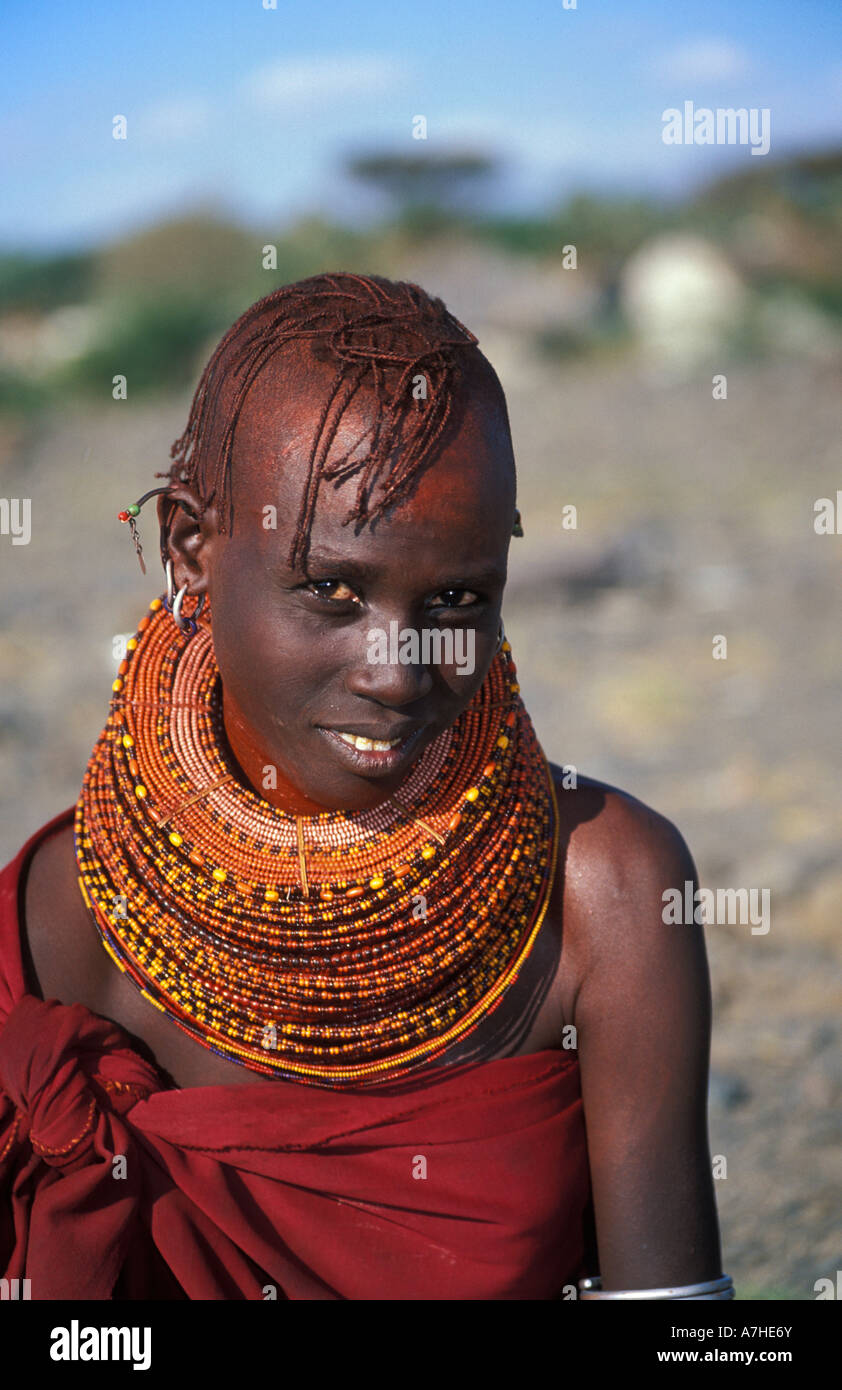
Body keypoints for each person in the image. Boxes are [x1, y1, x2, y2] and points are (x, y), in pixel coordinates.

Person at [0, 271, 731, 1300]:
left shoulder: (606, 892)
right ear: (190, 552)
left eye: (455, 596)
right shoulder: (65, 916)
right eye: (331, 588)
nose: (397, 669)